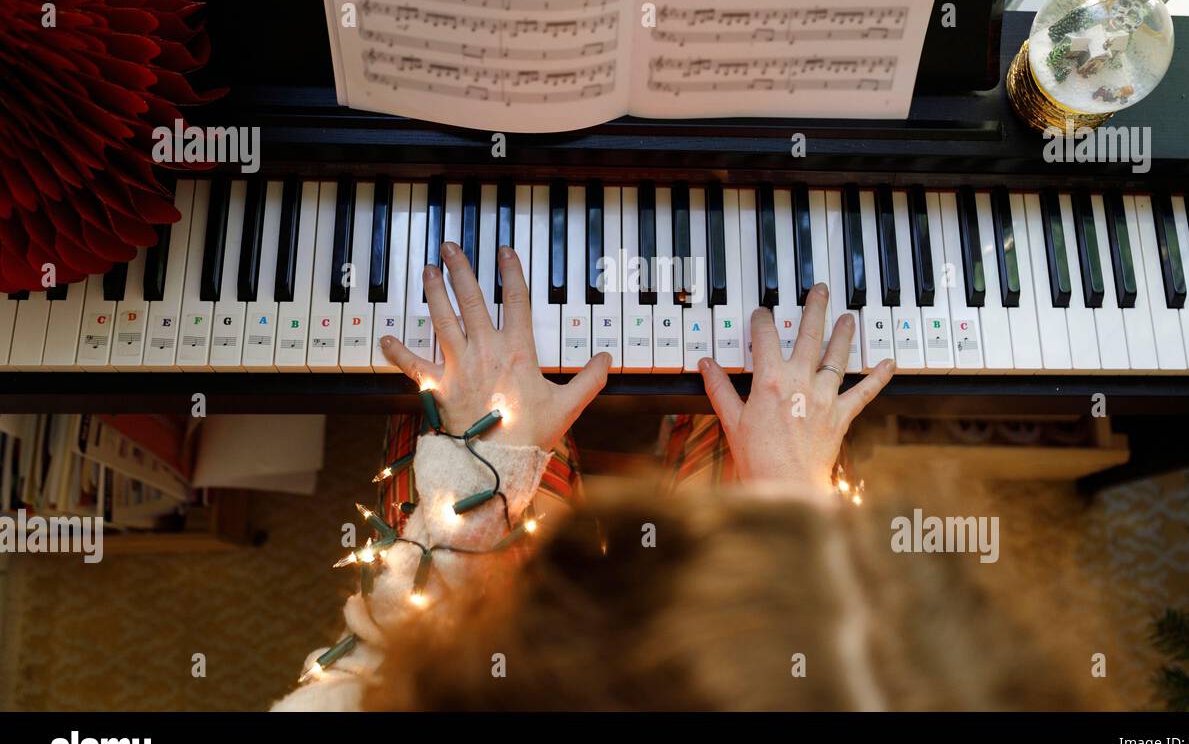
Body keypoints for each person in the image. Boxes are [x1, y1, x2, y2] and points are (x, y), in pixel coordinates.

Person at [273, 242, 1099, 711]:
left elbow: (366, 678)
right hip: (759, 647)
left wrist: (487, 454)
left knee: (455, 426)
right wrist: (791, 503)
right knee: (743, 408)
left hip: (506, 666)